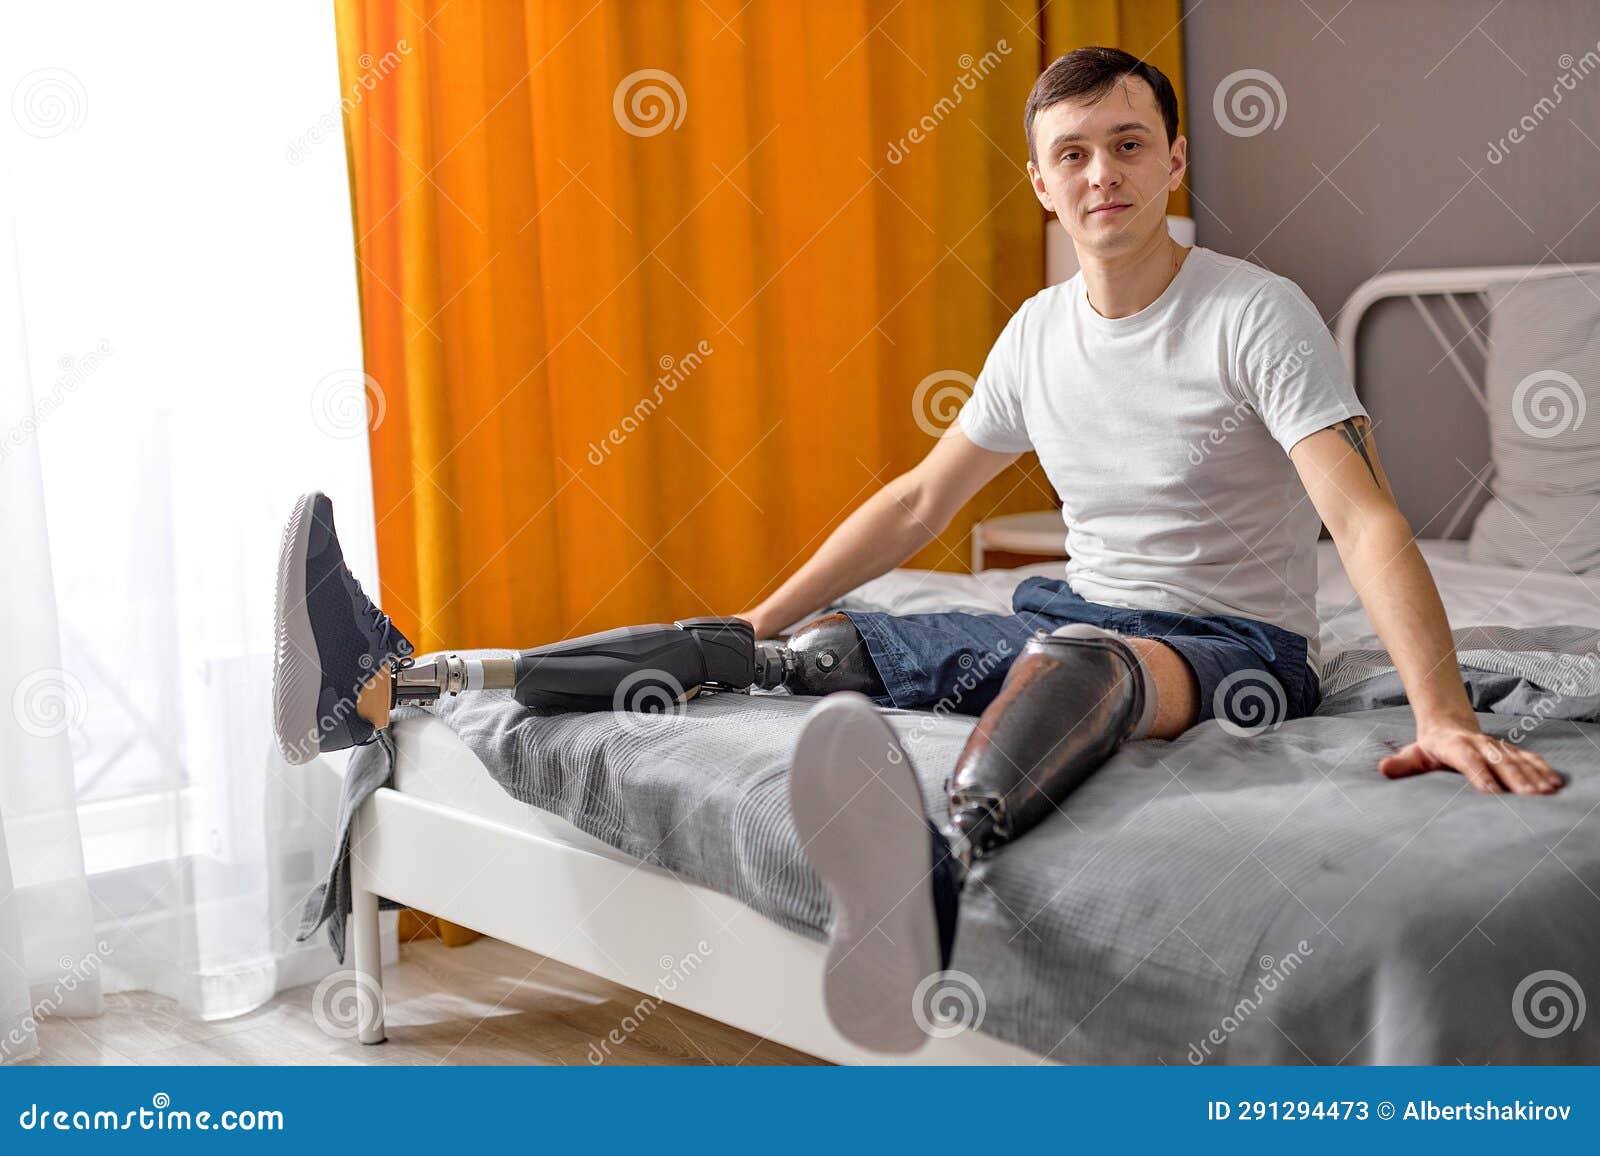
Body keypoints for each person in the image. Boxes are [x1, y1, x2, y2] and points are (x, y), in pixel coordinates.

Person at [273, 46, 1561, 1054]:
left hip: (1234, 649)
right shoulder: (1038, 331)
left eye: (1129, 145)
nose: (1103, 173)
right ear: (1043, 182)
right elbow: (912, 504)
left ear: (1175, 161)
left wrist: (1441, 712)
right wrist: (758, 622)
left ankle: (933, 878)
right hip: (1071, 606)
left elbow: (1364, 515)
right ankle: (406, 677)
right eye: (1075, 155)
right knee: (808, 656)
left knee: (1091, 660)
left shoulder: (1255, 312)